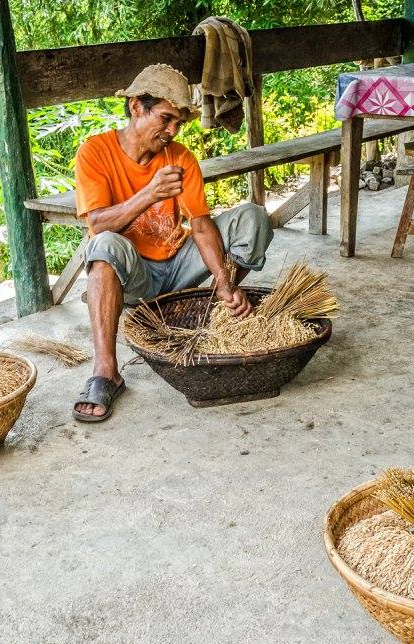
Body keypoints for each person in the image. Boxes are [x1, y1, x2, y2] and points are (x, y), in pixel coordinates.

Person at [72, 63, 274, 422]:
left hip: (179, 266)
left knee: (253, 217)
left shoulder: (180, 157)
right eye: (165, 119)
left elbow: (201, 226)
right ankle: (106, 372)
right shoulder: (95, 152)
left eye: (178, 123)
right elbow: (97, 224)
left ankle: (213, 309)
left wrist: (224, 281)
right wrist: (149, 193)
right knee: (103, 245)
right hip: (135, 278)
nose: (172, 131)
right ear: (136, 107)